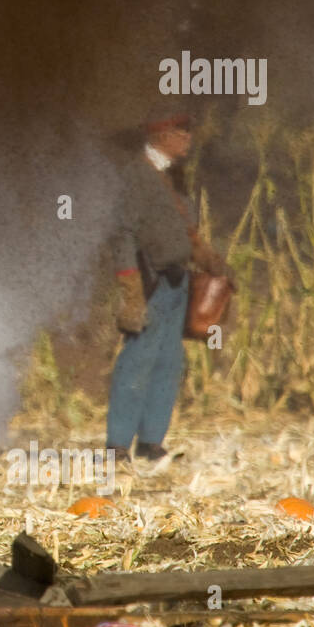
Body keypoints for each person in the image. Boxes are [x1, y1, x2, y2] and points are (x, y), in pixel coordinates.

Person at [108, 109, 230, 462]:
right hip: (149, 281)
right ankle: (117, 445)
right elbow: (123, 235)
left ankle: (151, 442)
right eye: (180, 132)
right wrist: (130, 290)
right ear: (159, 137)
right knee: (137, 360)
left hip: (178, 282)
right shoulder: (136, 176)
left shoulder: (174, 177)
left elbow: (186, 231)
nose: (188, 138)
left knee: (168, 362)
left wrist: (209, 259)